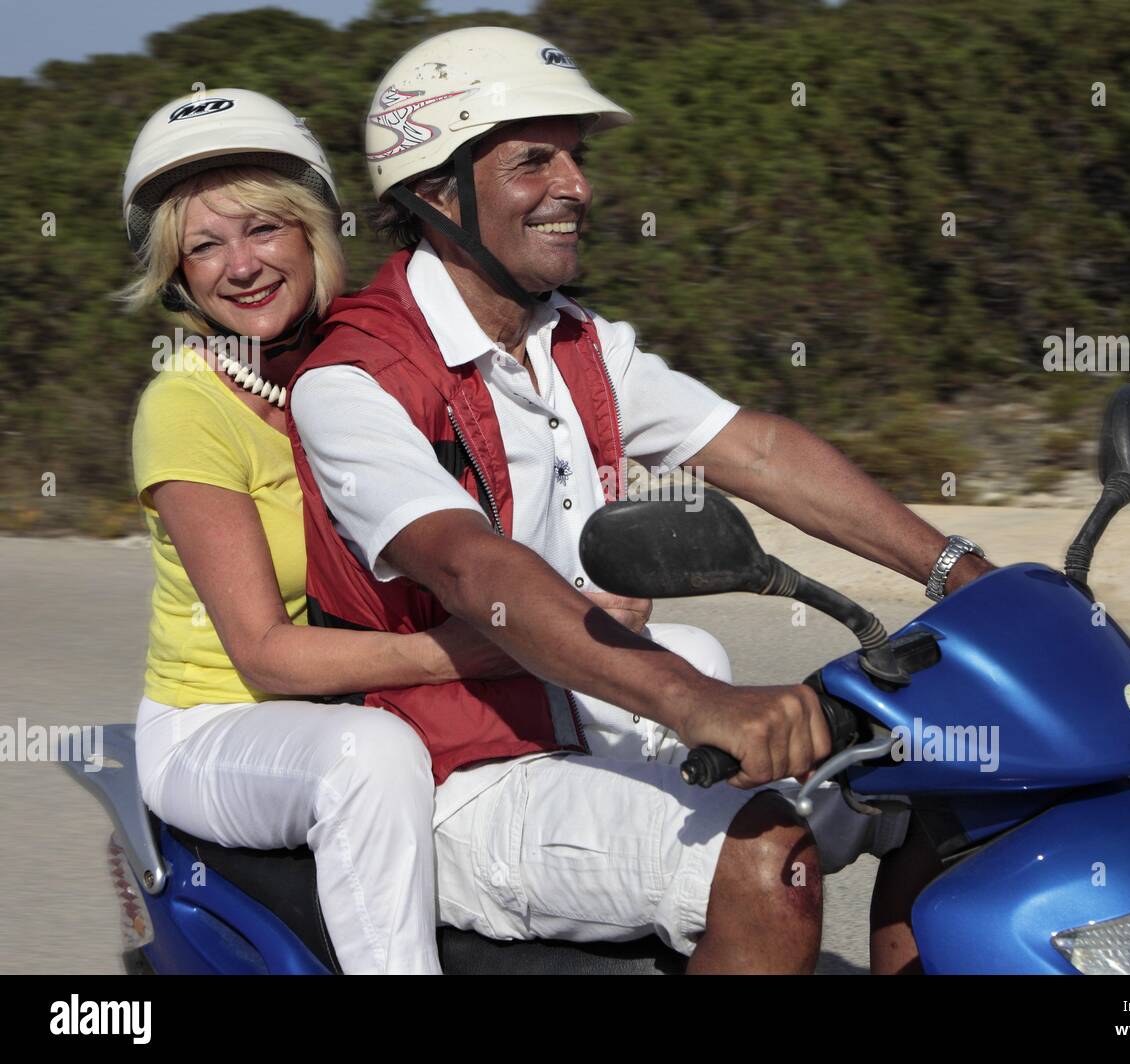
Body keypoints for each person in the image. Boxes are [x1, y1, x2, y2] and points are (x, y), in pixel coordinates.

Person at [290, 27, 993, 974]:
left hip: (606, 724)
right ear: (435, 192)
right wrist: (698, 701)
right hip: (465, 773)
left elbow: (757, 451)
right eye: (534, 161)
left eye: (577, 157)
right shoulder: (356, 380)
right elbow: (470, 567)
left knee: (938, 786)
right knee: (769, 861)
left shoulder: (577, 345)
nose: (576, 185)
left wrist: (961, 571)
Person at [121, 88, 568, 974]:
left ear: (312, 232)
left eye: (263, 229)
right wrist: (467, 653)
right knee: (368, 757)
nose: (240, 266)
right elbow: (265, 656)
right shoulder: (186, 406)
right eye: (204, 246)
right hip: (218, 722)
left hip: (357, 689)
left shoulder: (363, 359)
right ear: (178, 275)